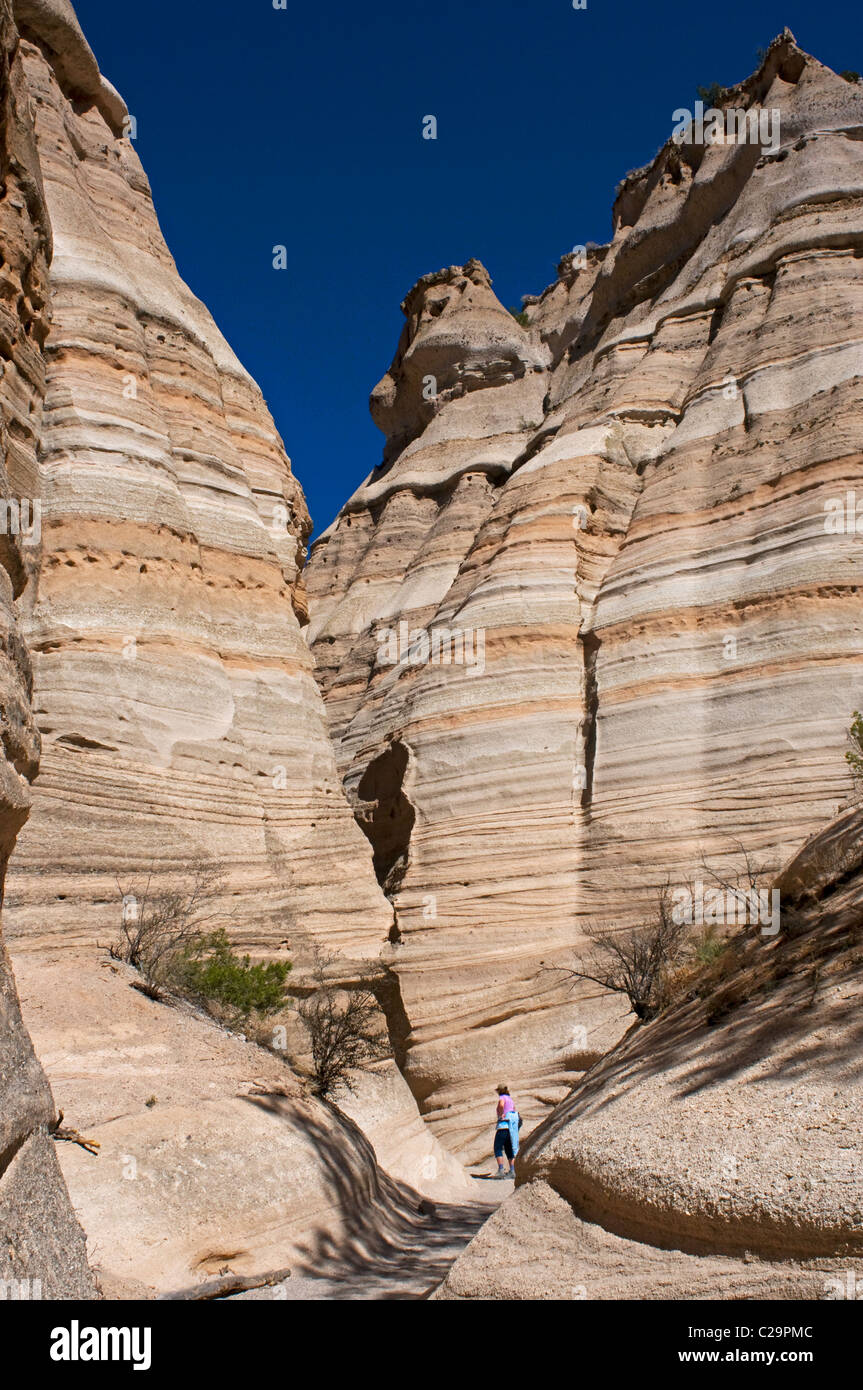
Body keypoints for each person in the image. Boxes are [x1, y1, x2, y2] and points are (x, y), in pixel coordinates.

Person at [493, 1084, 519, 1178]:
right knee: (509, 1149)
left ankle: (501, 1170)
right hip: (511, 1128)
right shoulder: (510, 1099)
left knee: (497, 1147)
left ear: (499, 1091)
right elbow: (514, 1109)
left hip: (503, 1126)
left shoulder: (502, 1097)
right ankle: (512, 1171)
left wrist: (500, 1115)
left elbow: (501, 1105)